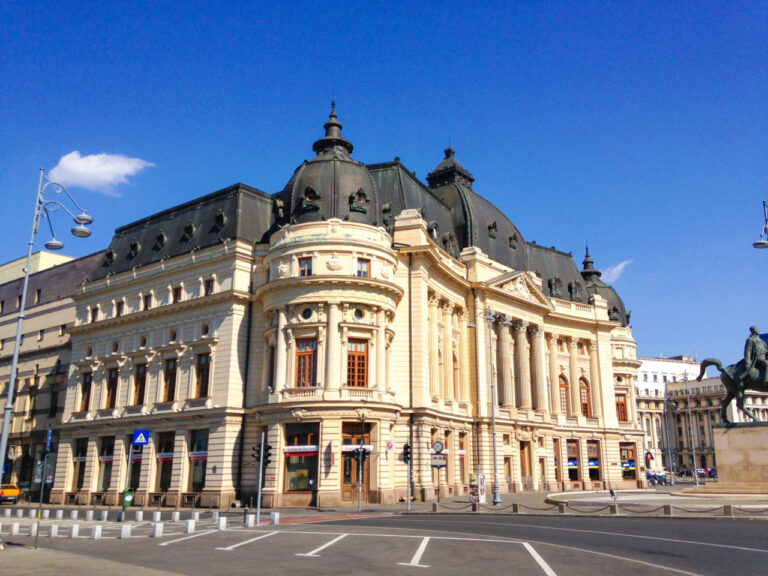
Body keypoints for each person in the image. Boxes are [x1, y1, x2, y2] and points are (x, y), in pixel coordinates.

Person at [739, 326, 768, 391]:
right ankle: (766, 380)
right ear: (755, 331)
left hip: (763, 357)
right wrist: (747, 362)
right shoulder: (750, 340)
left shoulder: (761, 341)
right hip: (757, 358)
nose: (758, 330)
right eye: (757, 329)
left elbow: (765, 350)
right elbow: (747, 352)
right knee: (767, 364)